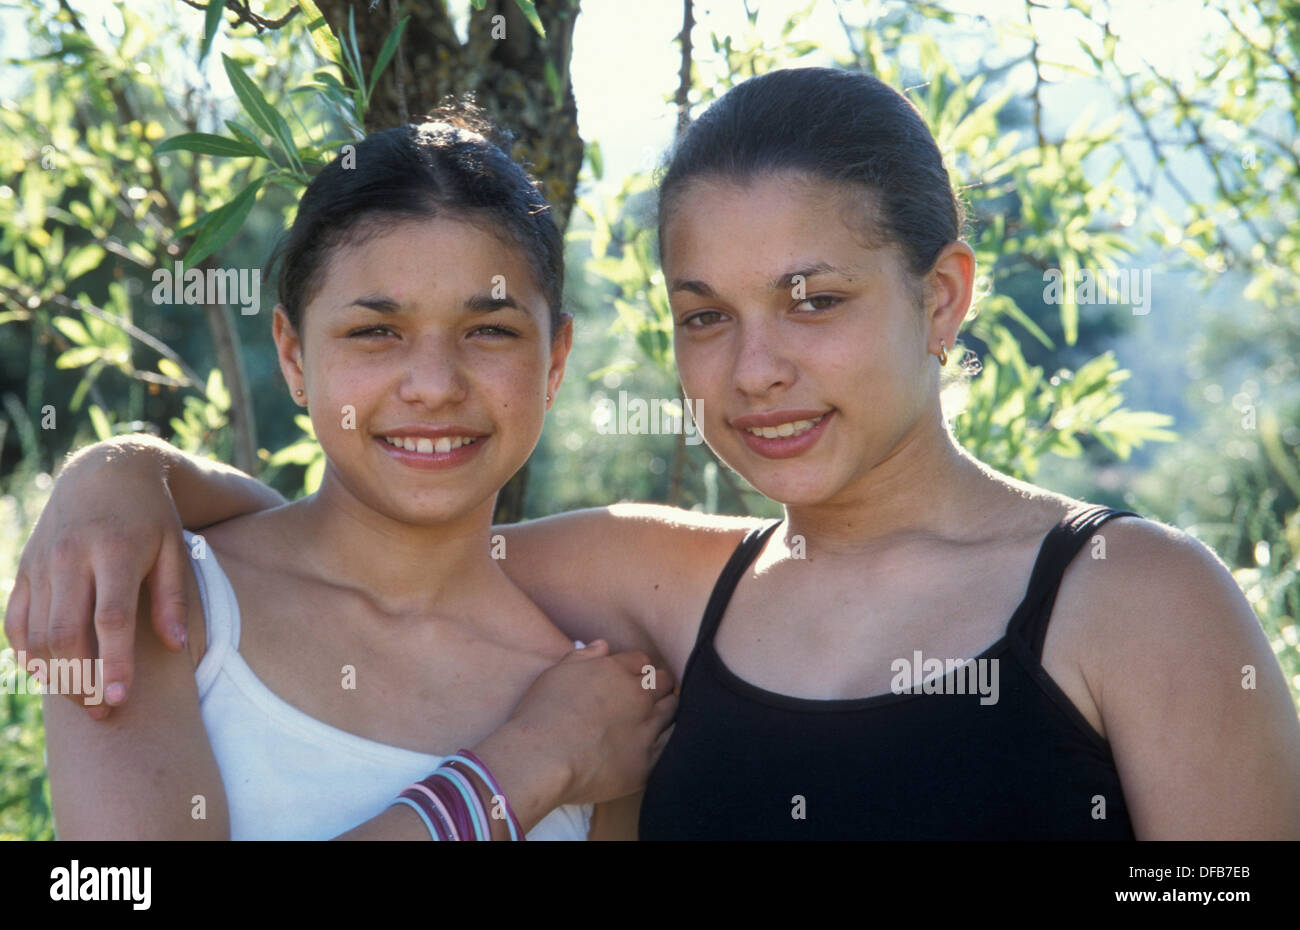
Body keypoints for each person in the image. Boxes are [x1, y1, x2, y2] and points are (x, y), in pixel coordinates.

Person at [11, 69, 1300, 839]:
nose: (754, 371)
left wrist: (121, 473)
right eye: (703, 318)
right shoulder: (666, 589)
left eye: (814, 299)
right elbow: (360, 540)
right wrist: (120, 474)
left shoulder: (1135, 599)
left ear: (944, 296)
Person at [25, 108, 676, 840]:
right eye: (374, 331)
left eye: (489, 330)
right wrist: (520, 771)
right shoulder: (158, 597)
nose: (433, 385)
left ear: (554, 363)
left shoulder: (600, 706)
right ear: (295, 356)